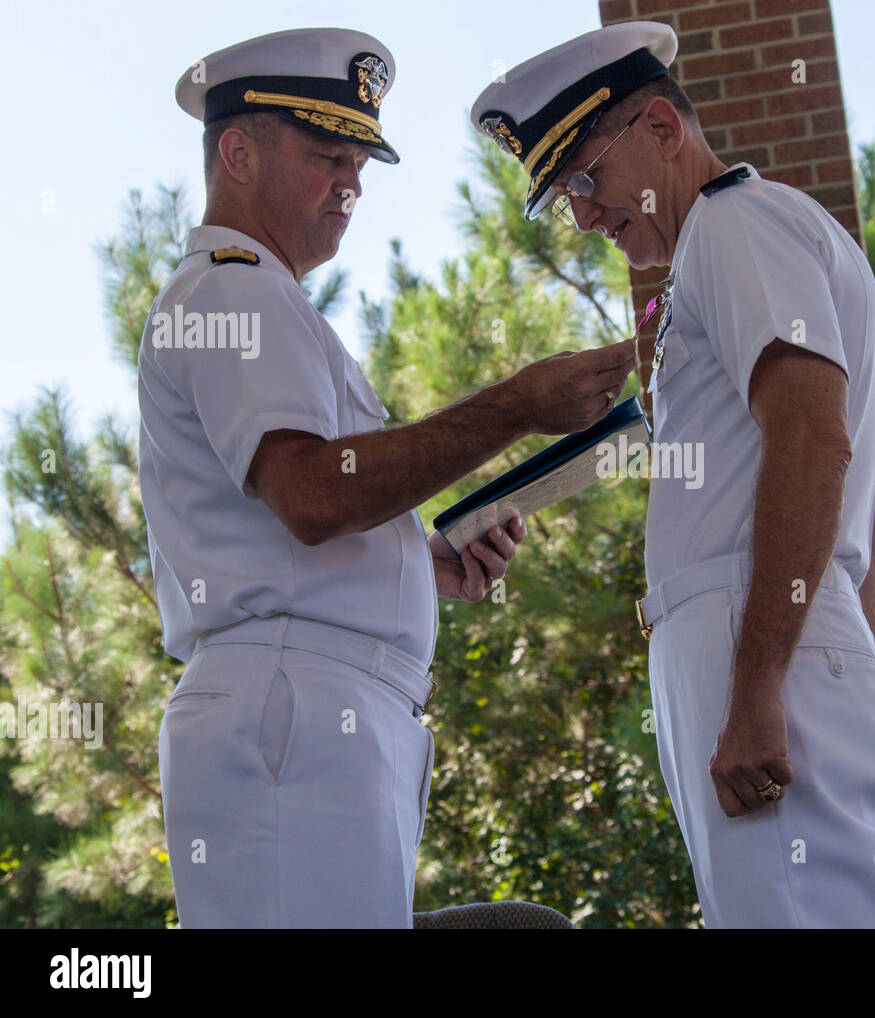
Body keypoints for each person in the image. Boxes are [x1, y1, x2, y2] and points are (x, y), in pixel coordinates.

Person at [140, 27, 635, 928]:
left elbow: (307, 511)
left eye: (361, 163)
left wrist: (412, 559)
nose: (351, 184)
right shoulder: (234, 288)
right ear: (236, 153)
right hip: (297, 702)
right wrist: (518, 403)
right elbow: (316, 493)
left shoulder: (260, 296)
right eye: (329, 153)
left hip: (316, 701)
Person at [470, 21, 875, 928]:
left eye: (585, 178)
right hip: (783, 635)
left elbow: (811, 440)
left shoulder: (732, 221)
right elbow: (863, 520)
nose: (585, 215)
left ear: (663, 130)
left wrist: (757, 692)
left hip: (755, 633)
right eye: (566, 198)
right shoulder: (767, 239)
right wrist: (830, 667)